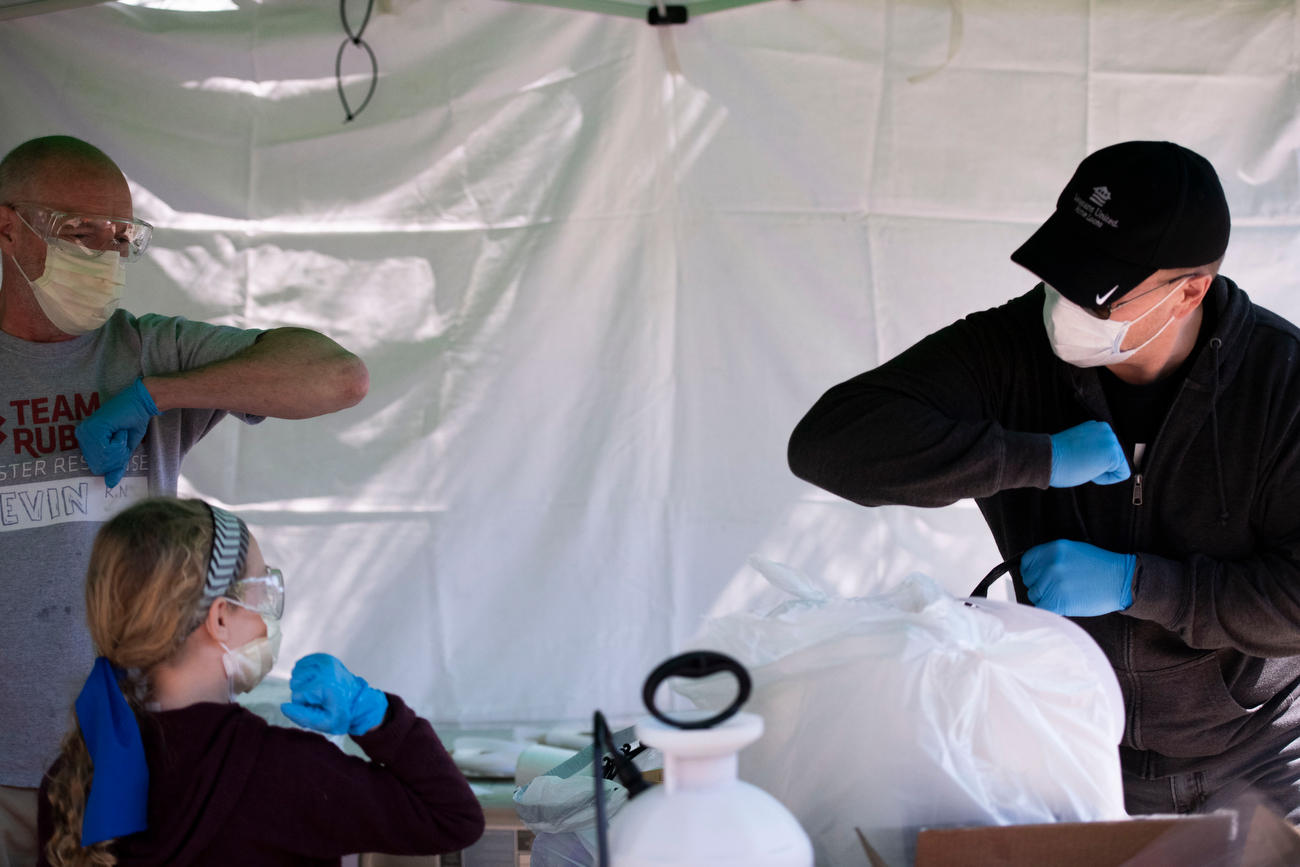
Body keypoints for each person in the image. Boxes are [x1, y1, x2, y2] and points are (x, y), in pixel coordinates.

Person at [788, 140, 1300, 819]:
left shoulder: (1280, 384)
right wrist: (1038, 458)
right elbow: (829, 442)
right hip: (1064, 741)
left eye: (1100, 293)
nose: (1064, 307)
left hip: (1255, 756)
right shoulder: (1011, 351)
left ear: (1189, 291)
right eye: (1062, 275)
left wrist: (1137, 583)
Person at [0, 136, 370, 867]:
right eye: (80, 231)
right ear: (7, 228)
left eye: (123, 236)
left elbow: (337, 376)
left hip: (129, 752)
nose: (106, 253)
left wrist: (156, 394)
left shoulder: (143, 350)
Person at [36, 497, 485, 867]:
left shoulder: (74, 778)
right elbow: (452, 818)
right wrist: (376, 715)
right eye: (262, 591)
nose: (270, 611)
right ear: (220, 618)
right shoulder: (291, 770)